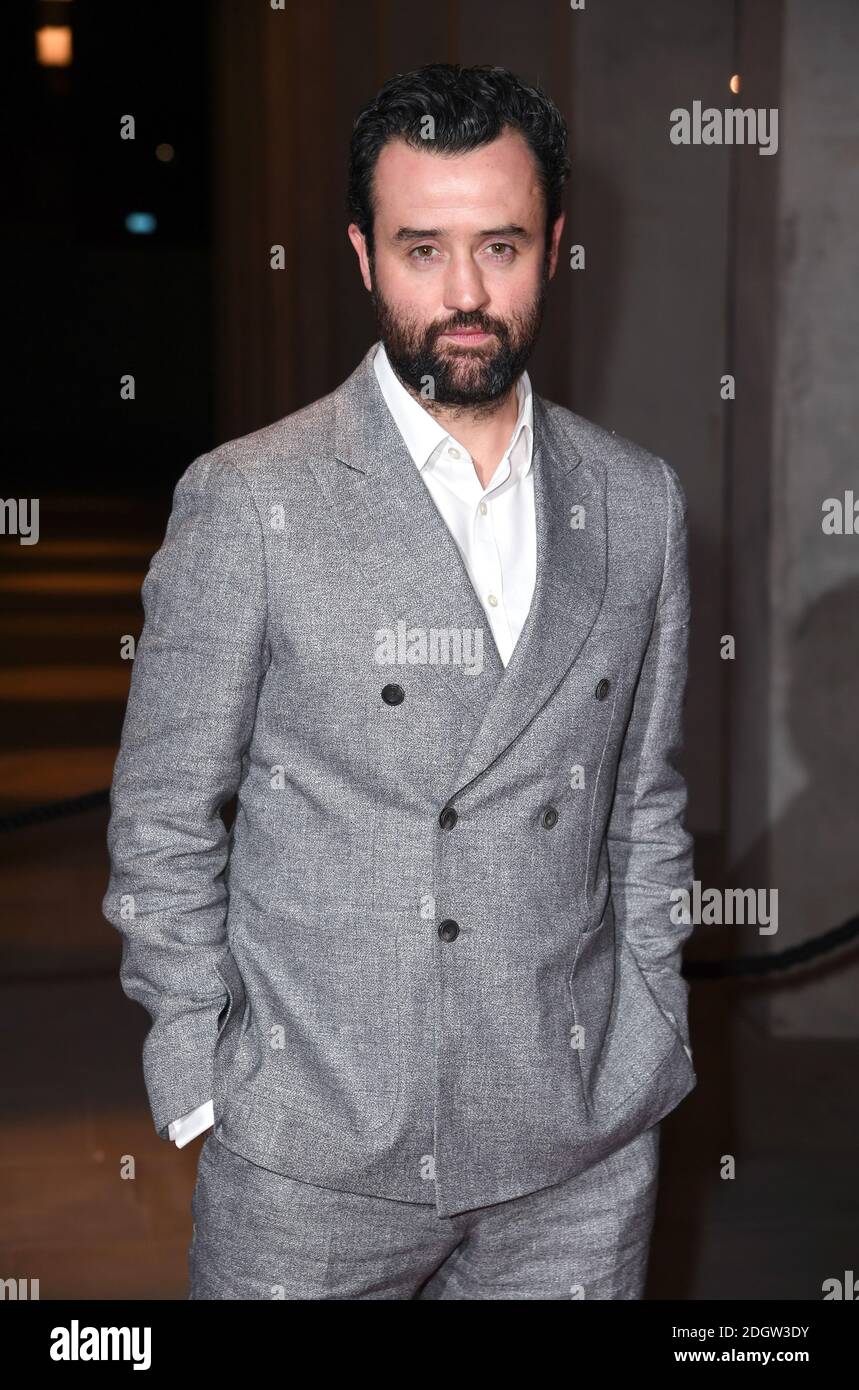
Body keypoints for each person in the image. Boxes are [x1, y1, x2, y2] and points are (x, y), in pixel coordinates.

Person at [103, 62, 697, 1300]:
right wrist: (204, 1074)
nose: (466, 295)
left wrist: (646, 1033)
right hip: (313, 1155)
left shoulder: (636, 500)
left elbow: (643, 804)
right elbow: (163, 813)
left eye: (502, 246)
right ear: (363, 256)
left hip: (571, 1154)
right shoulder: (253, 497)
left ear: (557, 250)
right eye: (423, 250)